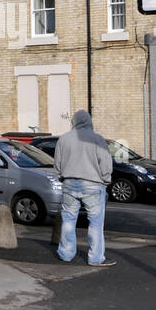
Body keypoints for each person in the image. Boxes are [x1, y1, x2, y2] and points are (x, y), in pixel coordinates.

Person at [53, 110, 115, 267]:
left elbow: (57, 164)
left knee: (68, 219)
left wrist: (62, 176)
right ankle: (95, 258)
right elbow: (106, 163)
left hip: (69, 183)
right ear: (89, 121)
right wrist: (105, 180)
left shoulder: (64, 139)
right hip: (93, 184)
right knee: (95, 223)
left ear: (74, 121)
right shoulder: (97, 139)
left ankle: (66, 254)